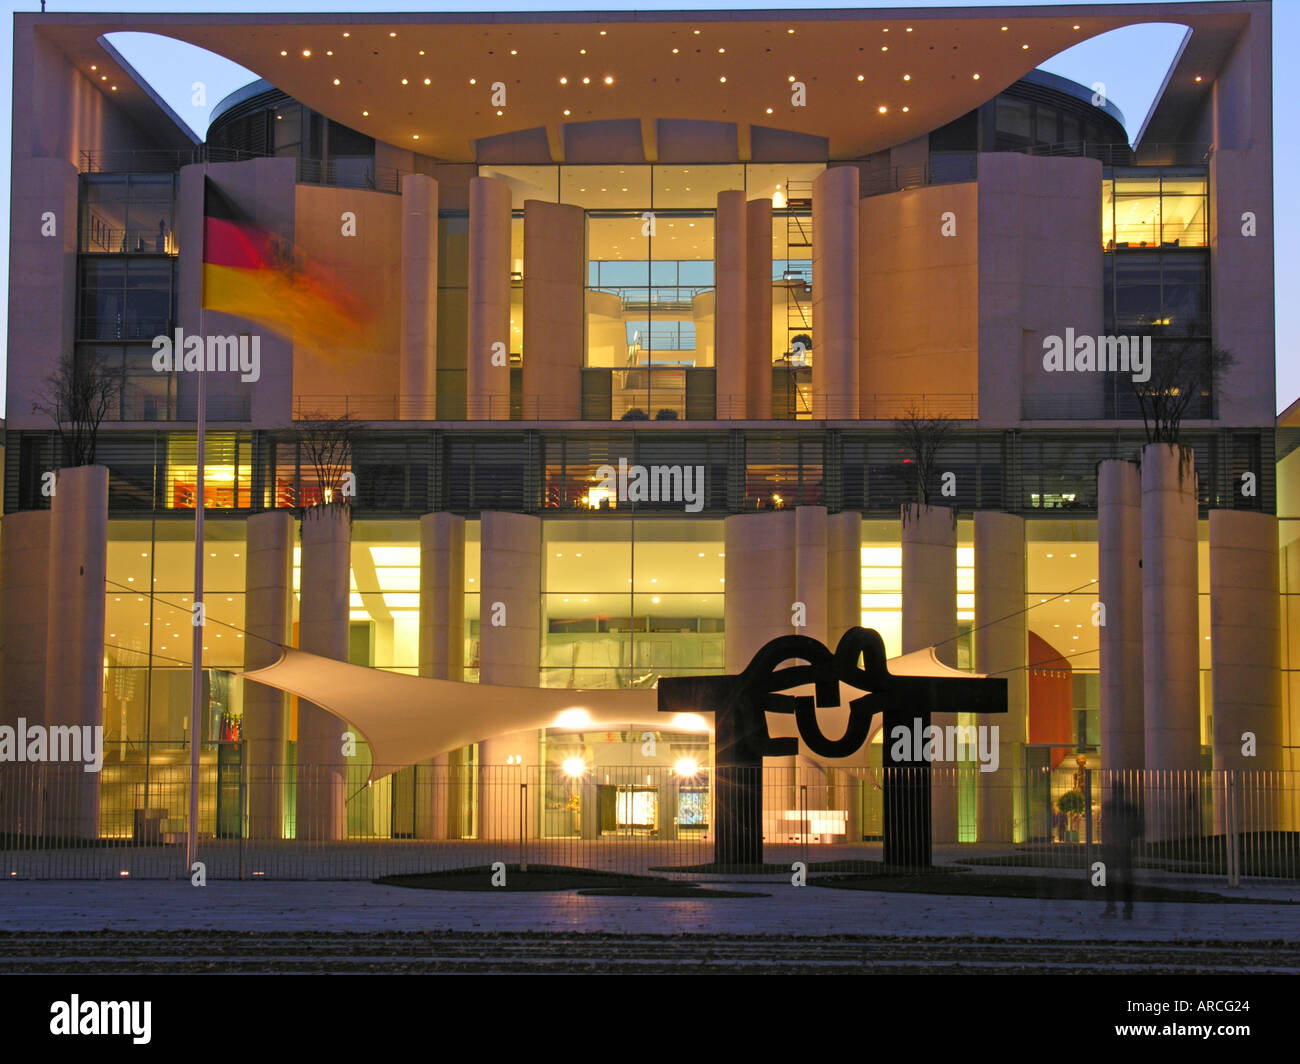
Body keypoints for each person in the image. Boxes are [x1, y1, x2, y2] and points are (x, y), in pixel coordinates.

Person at [1102, 782, 1143, 919]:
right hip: (1121, 846)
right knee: (1123, 879)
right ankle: (1125, 908)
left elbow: (1105, 825)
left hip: (1114, 846)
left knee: (1112, 879)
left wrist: (1111, 839)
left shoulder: (1109, 807)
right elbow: (1138, 828)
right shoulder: (1127, 808)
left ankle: (1114, 907)